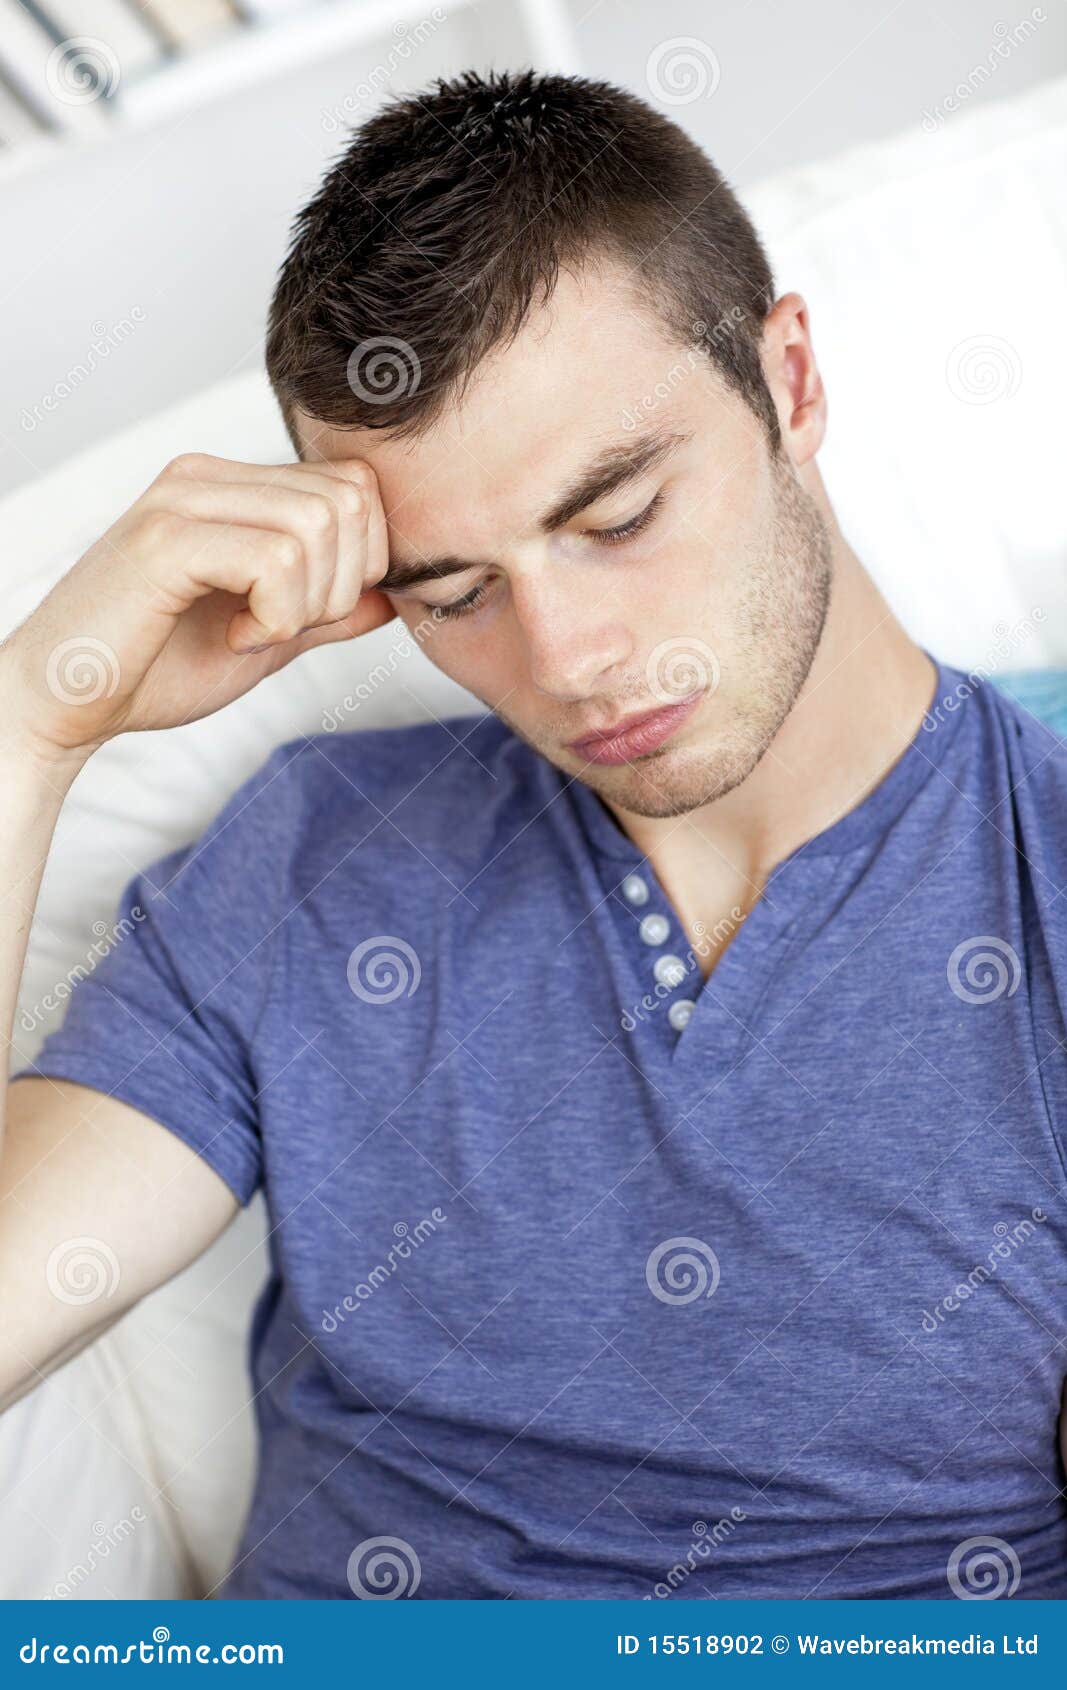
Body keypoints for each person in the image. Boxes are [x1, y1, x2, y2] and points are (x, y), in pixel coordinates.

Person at [1, 68, 1064, 1602]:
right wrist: (39, 713)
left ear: (790, 382)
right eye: (454, 592)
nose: (565, 660)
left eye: (617, 518)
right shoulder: (311, 863)